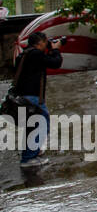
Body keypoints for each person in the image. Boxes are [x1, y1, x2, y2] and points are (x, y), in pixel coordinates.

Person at [13, 31, 63, 167]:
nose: (47, 44)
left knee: (32, 126)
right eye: (46, 41)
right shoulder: (36, 54)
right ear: (40, 42)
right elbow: (56, 63)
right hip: (33, 98)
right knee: (41, 125)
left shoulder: (24, 54)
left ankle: (32, 151)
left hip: (22, 97)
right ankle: (28, 158)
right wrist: (56, 50)